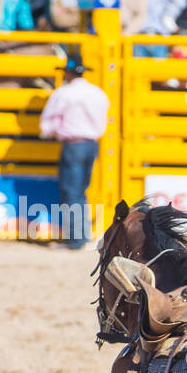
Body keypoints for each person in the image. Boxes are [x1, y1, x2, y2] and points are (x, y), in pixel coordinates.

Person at [39, 56, 110, 249]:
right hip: (91, 144)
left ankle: (75, 239)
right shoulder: (97, 93)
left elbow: (47, 123)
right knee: (81, 191)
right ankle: (82, 235)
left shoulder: (64, 93)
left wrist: (50, 132)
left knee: (71, 192)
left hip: (73, 144)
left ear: (68, 73)